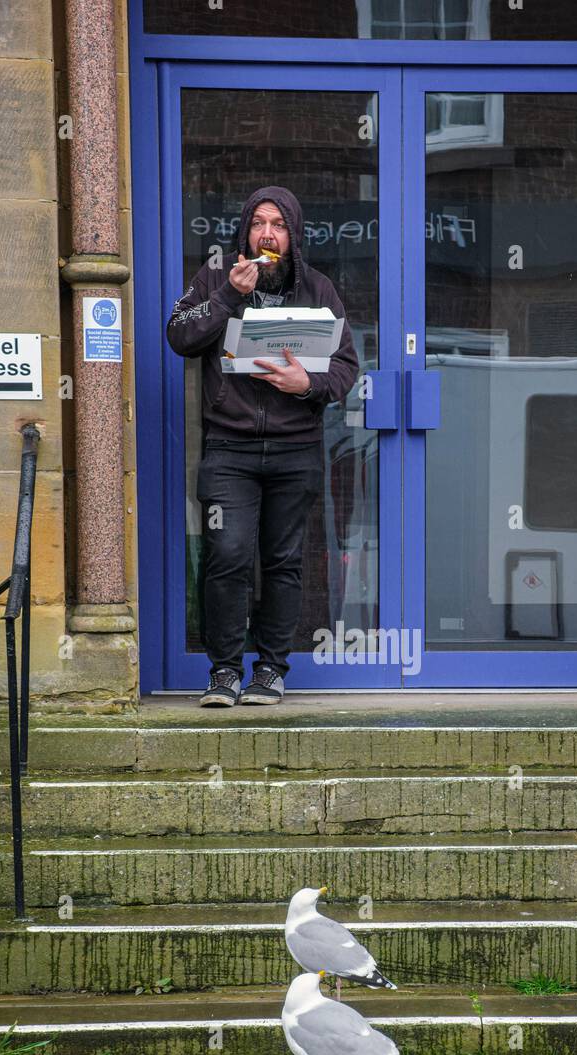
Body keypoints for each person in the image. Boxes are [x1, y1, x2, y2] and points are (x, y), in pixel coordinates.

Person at [166, 185, 359, 706]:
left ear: (292, 236)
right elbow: (179, 335)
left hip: (296, 449)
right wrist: (227, 295)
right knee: (226, 555)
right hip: (229, 448)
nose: (267, 233)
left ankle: (271, 669)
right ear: (245, 233)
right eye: (258, 223)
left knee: (284, 560)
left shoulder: (318, 288)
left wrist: (309, 386)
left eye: (278, 225)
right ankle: (225, 671)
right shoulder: (215, 277)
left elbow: (346, 366)